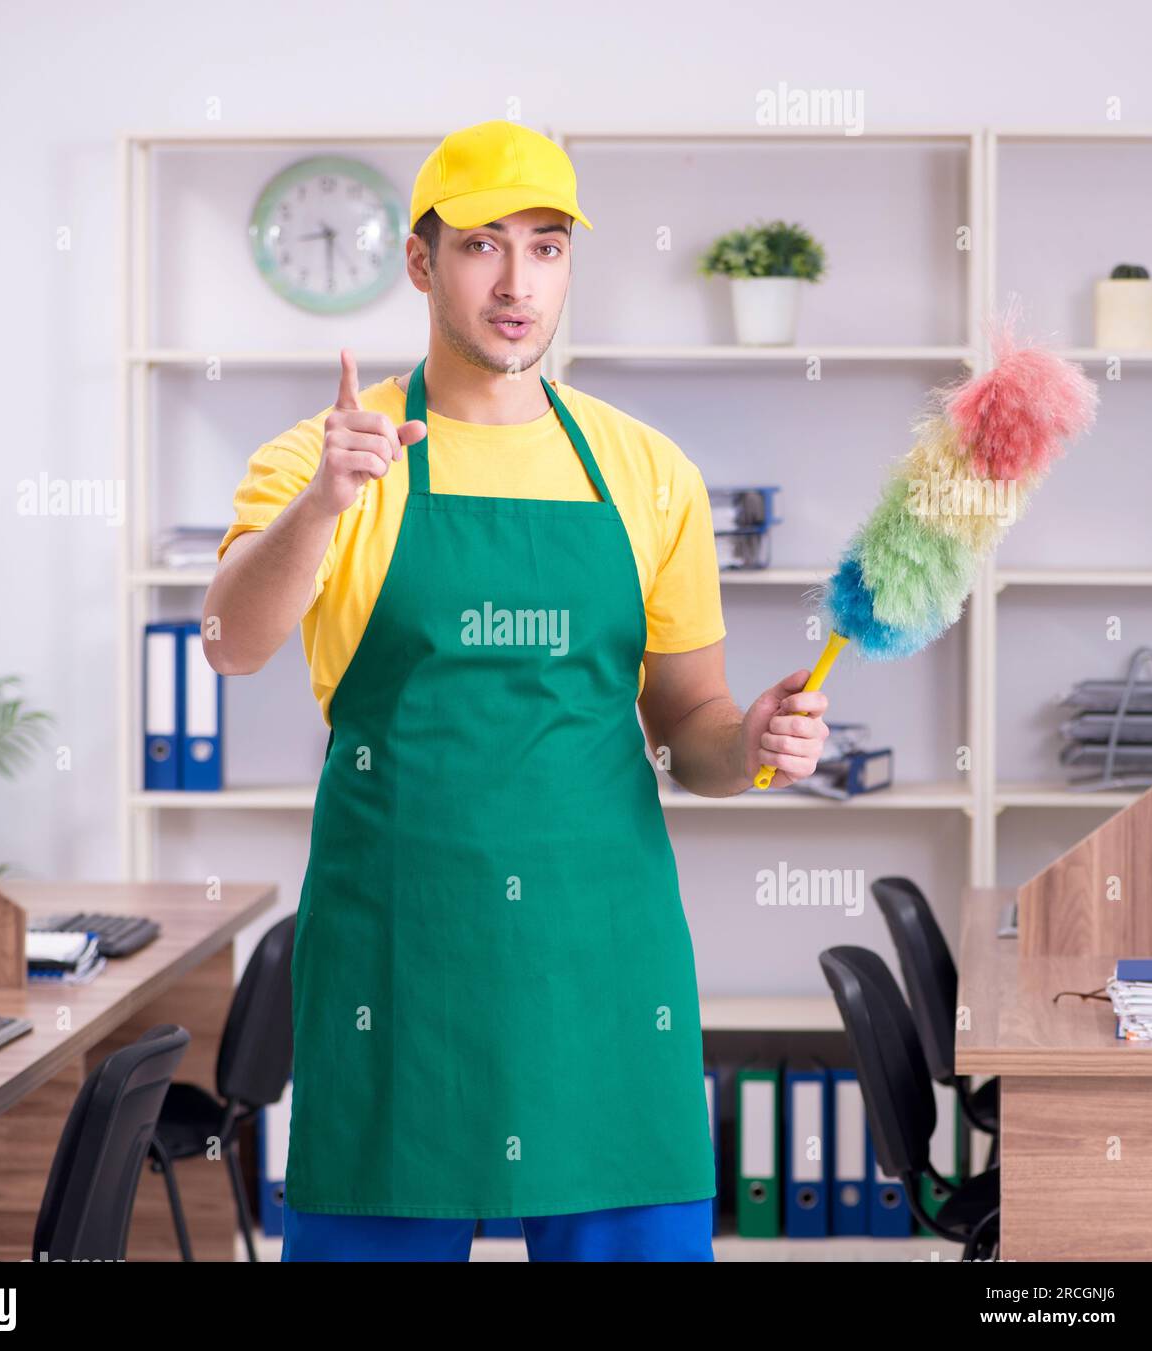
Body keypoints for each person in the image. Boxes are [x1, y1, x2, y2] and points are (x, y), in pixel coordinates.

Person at [204, 119, 829, 1262]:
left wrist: (753, 741)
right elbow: (230, 642)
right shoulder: (327, 456)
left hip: (601, 965)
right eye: (483, 245)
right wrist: (324, 508)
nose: (515, 281)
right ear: (419, 262)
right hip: (398, 962)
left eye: (545, 247)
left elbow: (688, 729)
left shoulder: (646, 471)